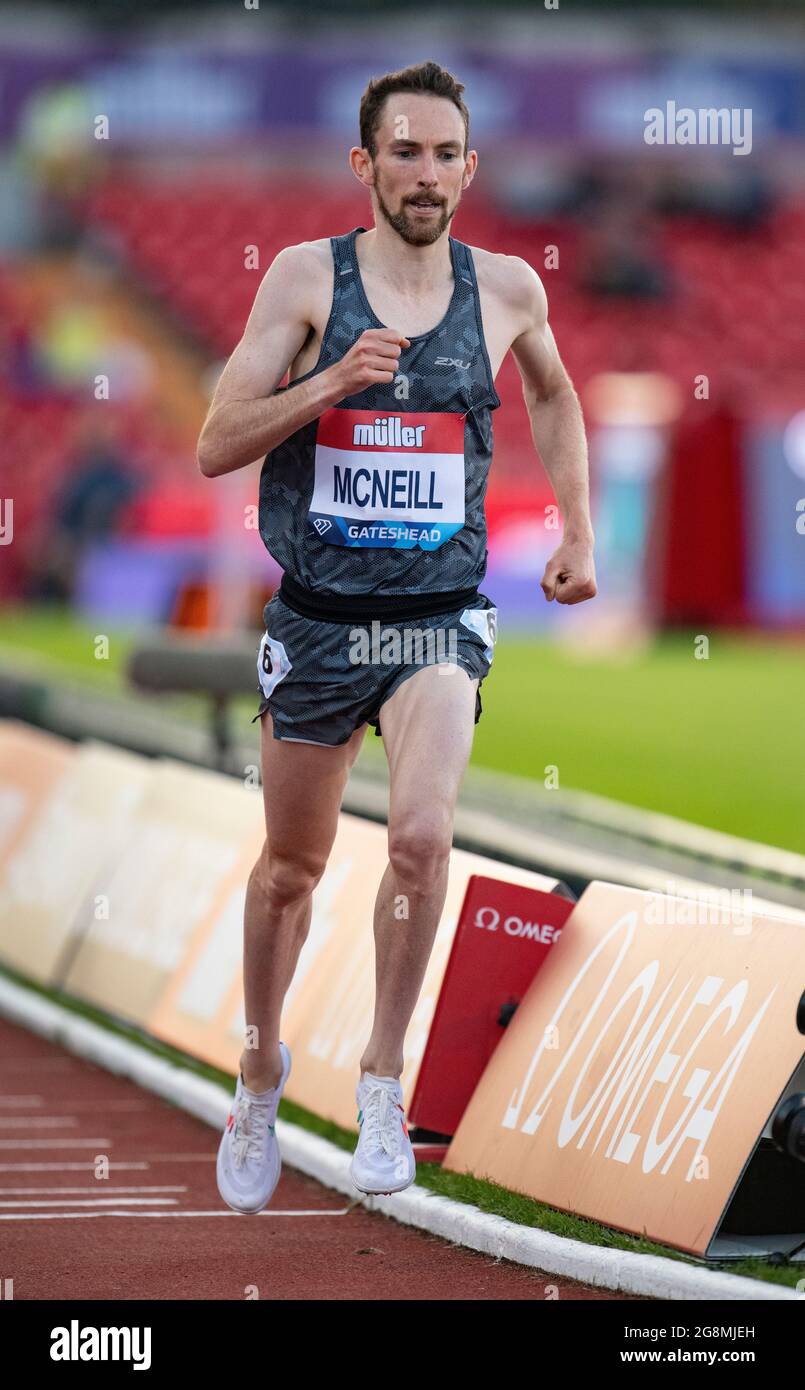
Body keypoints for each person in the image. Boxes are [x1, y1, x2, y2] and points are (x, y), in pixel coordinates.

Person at [196, 61, 596, 1213]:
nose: (425, 175)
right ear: (363, 164)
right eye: (403, 152)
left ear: (470, 168)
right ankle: (261, 1064)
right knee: (292, 869)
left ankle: (382, 1075)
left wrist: (575, 526)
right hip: (320, 622)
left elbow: (556, 394)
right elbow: (218, 441)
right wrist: (328, 384)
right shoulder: (306, 279)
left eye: (444, 155)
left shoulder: (509, 286)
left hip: (436, 622)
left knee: (421, 839)